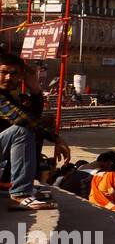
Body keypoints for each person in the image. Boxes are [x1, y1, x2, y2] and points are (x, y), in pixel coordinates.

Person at [0, 52, 66, 210]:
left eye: (13, 73)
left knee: (29, 131)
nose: (8, 78)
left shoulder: (11, 96)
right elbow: (22, 119)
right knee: (21, 131)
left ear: (21, 76)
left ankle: (13, 185)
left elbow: (33, 119)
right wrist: (56, 139)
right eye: (3, 72)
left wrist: (36, 90)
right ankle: (20, 194)